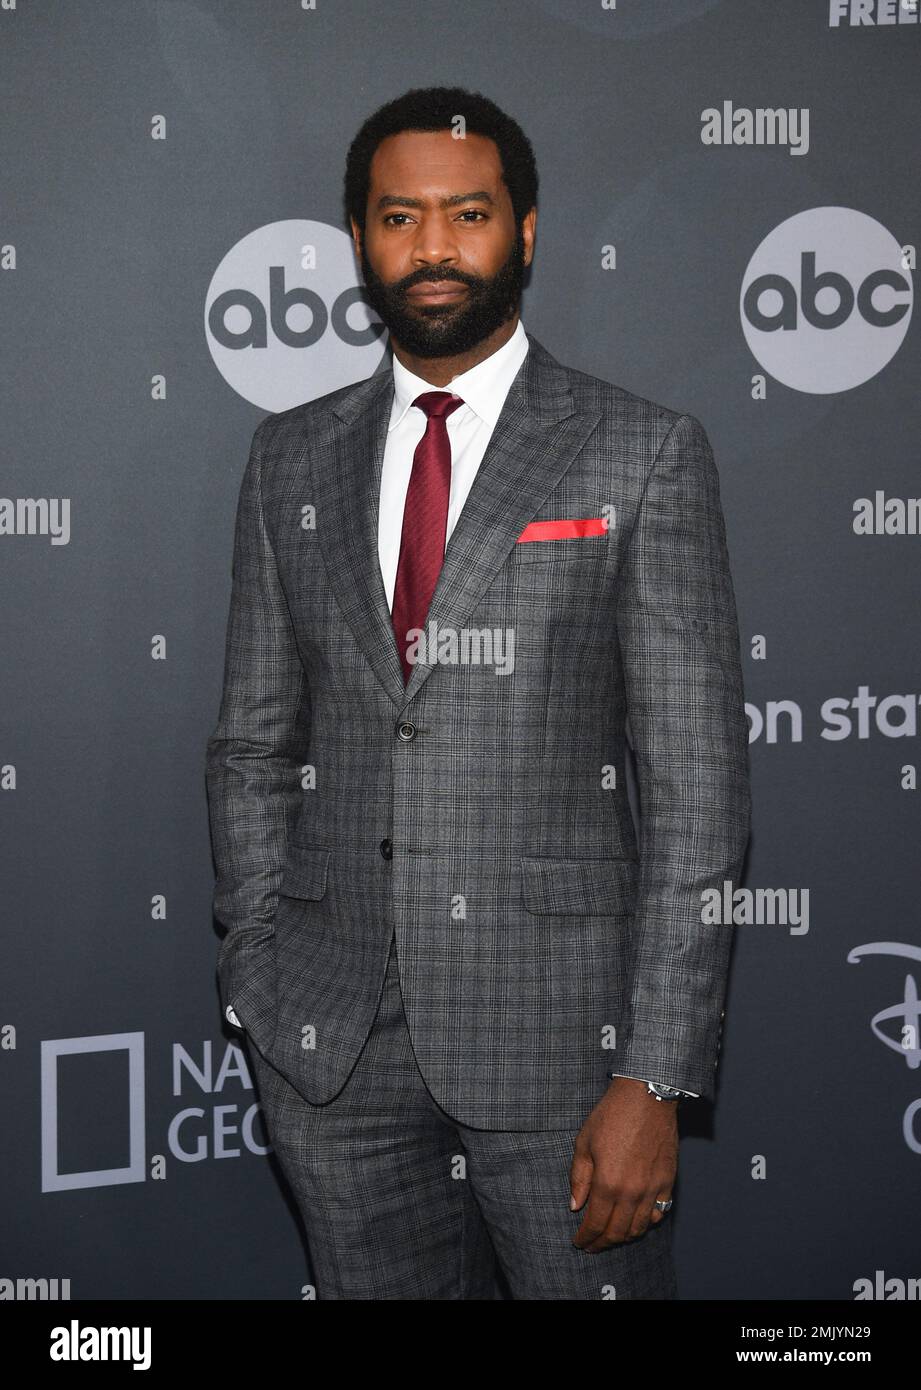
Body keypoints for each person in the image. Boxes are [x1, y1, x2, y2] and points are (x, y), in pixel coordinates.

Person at [205, 85, 751, 1300]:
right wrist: (258, 963)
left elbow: (698, 789)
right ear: (359, 238)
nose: (436, 247)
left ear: (528, 230)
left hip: (568, 1055)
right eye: (402, 216)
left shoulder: (638, 451)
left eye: (469, 213)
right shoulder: (288, 455)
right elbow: (251, 740)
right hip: (331, 1052)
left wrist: (653, 1074)